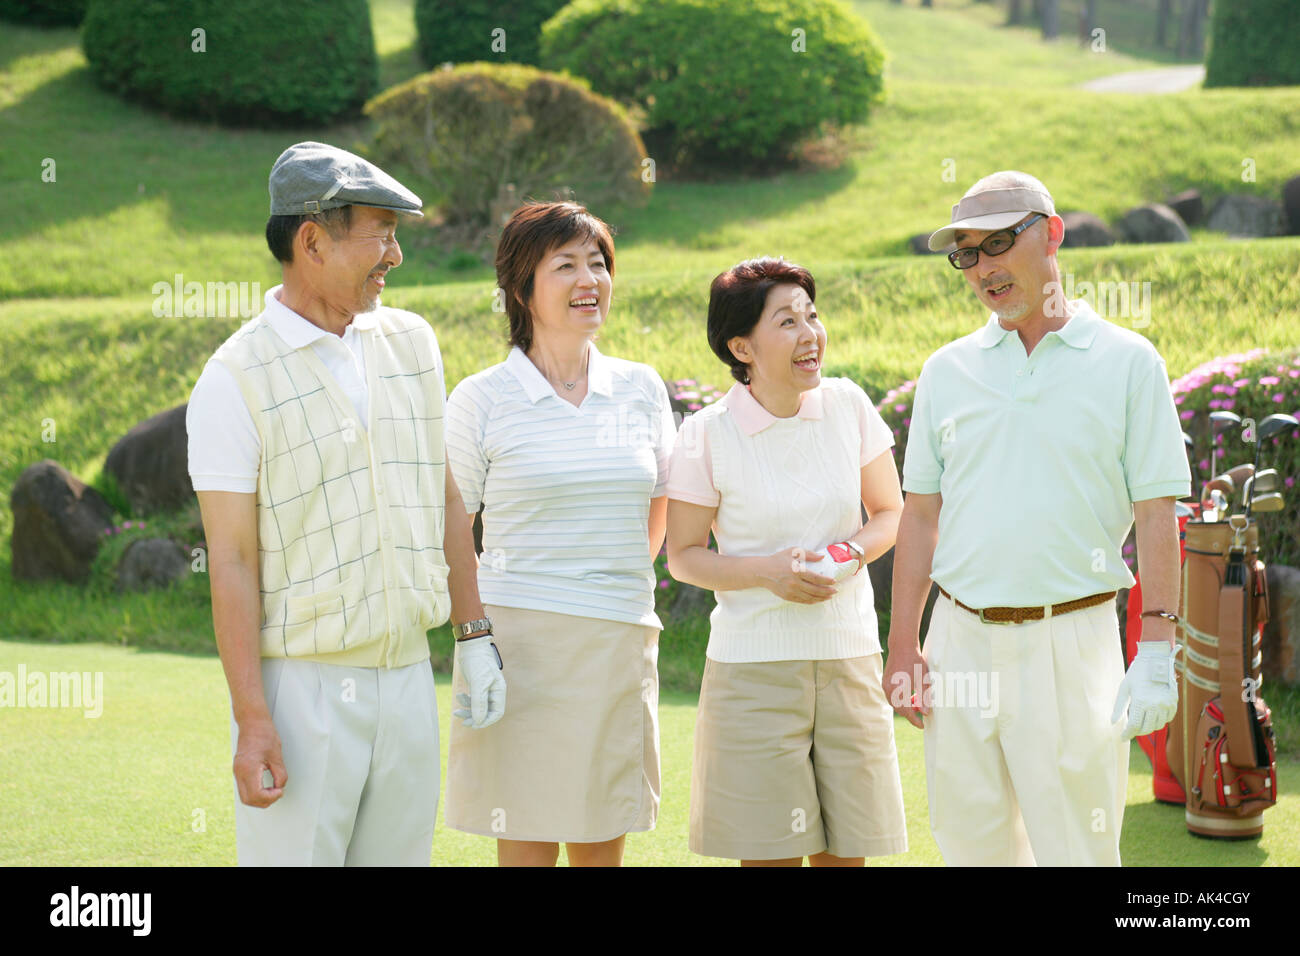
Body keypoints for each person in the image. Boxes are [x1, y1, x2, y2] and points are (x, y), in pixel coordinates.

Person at [187, 141, 505, 866]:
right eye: (381, 234)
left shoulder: (412, 342)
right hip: (303, 692)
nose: (395, 255)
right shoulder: (233, 379)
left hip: (406, 682)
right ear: (311, 240)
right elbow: (231, 560)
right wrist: (252, 720)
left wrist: (474, 634)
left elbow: (444, 493)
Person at [883, 170, 1190, 866]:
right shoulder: (946, 371)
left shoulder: (1129, 363)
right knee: (971, 850)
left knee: (1077, 853)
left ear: (1052, 234)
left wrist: (1159, 651)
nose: (985, 267)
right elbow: (921, 517)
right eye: (967, 253)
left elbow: (1155, 513)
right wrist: (903, 644)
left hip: (1071, 641)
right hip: (957, 642)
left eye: (999, 243)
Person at [442, 201, 675, 867]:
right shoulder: (482, 398)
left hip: (616, 640)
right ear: (521, 287)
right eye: (566, 265)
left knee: (602, 842)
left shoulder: (640, 388)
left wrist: (611, 588)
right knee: (526, 841)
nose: (589, 280)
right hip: (517, 648)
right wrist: (473, 637)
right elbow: (455, 532)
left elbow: (658, 505)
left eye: (598, 264)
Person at [665, 256, 908, 867]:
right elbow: (684, 557)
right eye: (787, 322)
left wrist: (850, 552)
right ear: (741, 345)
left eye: (812, 316)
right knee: (768, 857)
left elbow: (889, 513)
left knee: (847, 856)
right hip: (752, 676)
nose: (810, 335)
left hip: (850, 658)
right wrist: (766, 571)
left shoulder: (849, 404)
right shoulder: (705, 434)